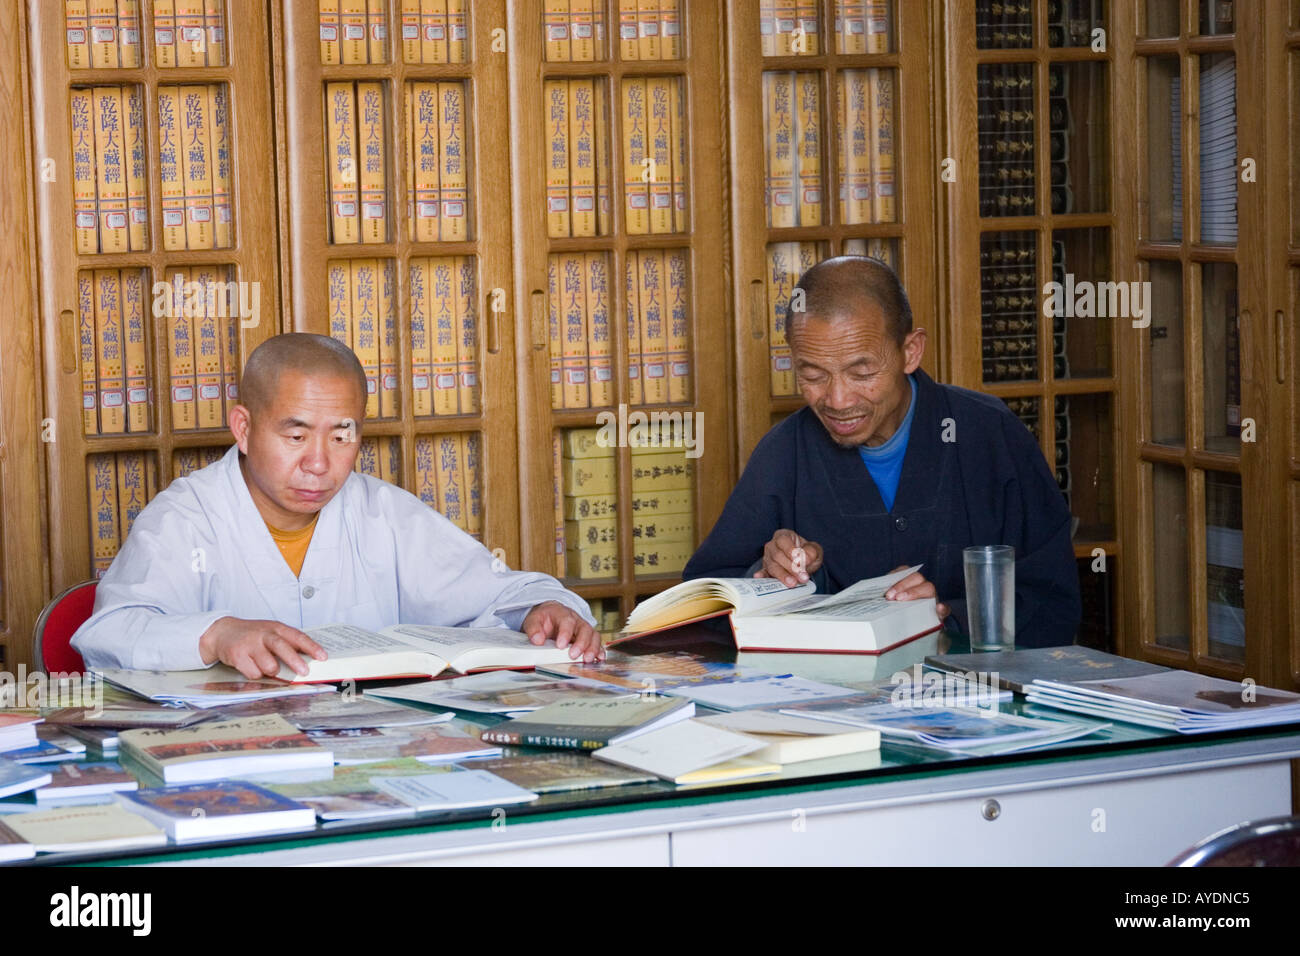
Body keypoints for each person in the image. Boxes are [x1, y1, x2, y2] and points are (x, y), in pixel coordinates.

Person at [73, 333, 605, 677]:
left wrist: (544, 610)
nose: (320, 464)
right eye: (296, 435)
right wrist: (217, 633)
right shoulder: (187, 518)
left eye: (342, 436)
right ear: (243, 427)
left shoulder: (383, 513)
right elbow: (108, 634)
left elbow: (505, 590)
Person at [682, 256, 1081, 646]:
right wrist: (773, 576)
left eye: (862, 373)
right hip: (829, 702)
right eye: (813, 375)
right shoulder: (784, 453)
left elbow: (1054, 604)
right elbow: (704, 608)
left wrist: (946, 614)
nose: (837, 400)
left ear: (911, 351)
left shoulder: (989, 435)